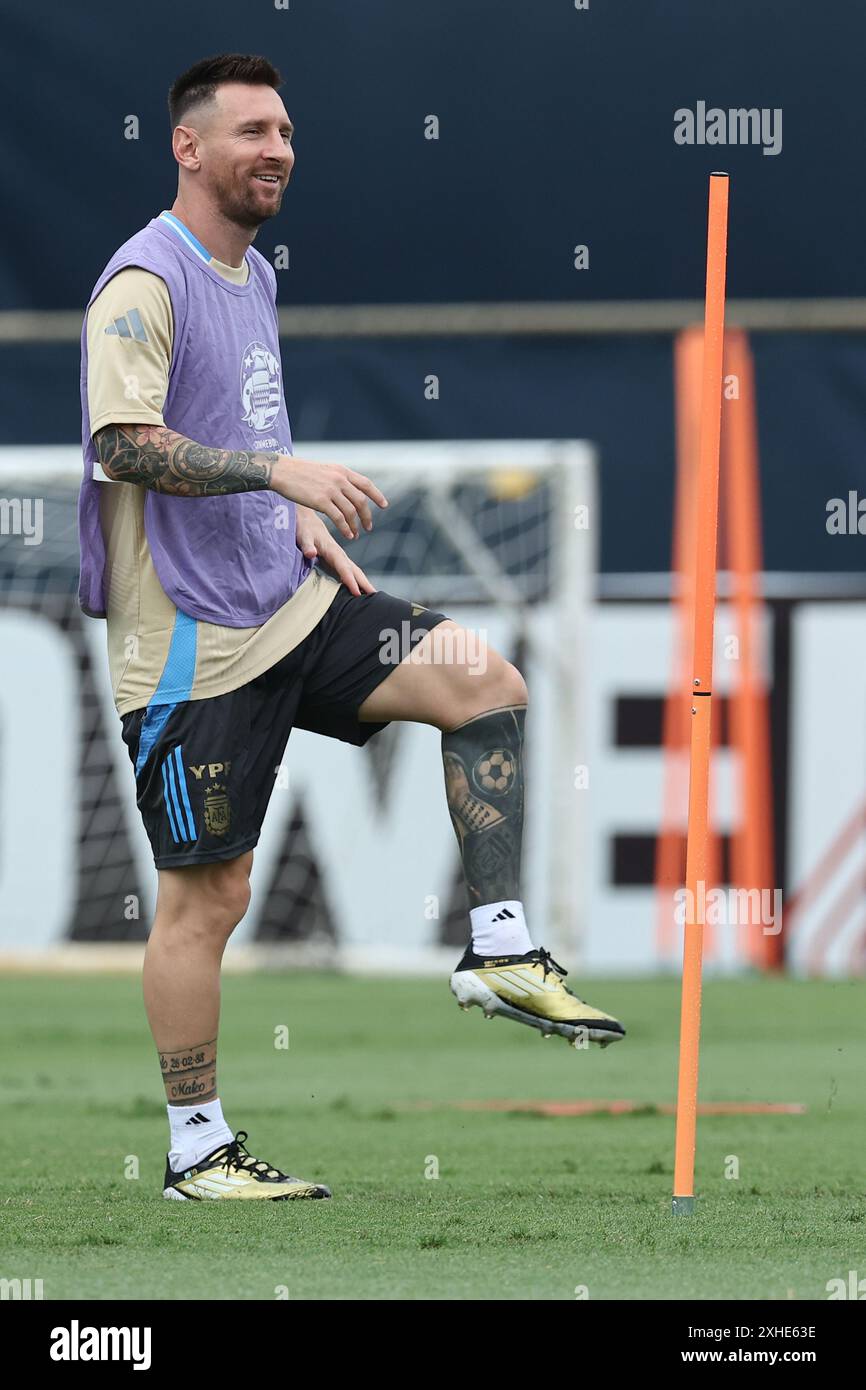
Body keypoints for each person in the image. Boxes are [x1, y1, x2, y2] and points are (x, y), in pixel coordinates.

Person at [78, 52, 624, 1203]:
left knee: (483, 683)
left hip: (292, 601)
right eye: (250, 132)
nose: (276, 149)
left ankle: (499, 948)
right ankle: (196, 1150)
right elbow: (122, 443)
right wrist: (280, 474)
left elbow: (233, 424)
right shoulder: (143, 280)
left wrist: (295, 528)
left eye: (284, 130)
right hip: (193, 645)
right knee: (206, 902)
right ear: (186, 146)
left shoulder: (254, 272)